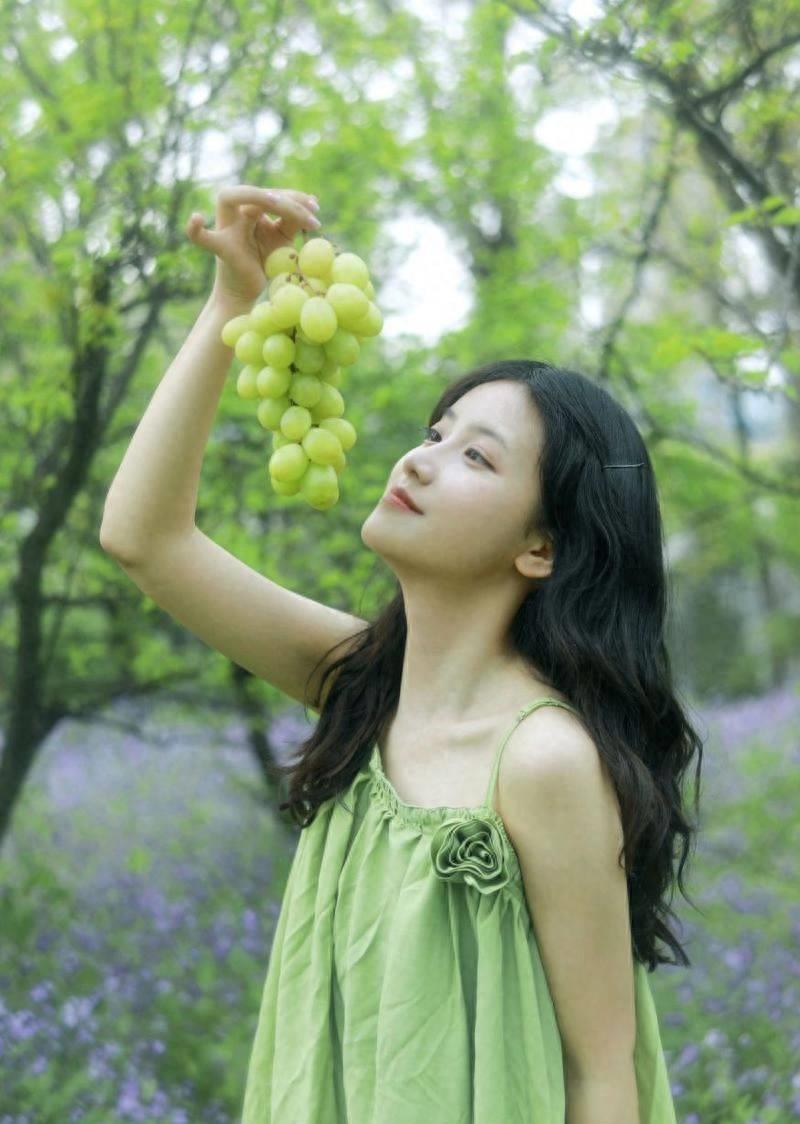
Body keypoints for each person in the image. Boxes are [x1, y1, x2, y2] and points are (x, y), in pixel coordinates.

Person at [100, 185, 701, 1123]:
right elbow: (147, 539)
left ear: (539, 547)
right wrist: (231, 304)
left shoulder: (542, 761)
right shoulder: (361, 685)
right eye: (435, 434)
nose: (418, 460)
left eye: (478, 458)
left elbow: (602, 1075)